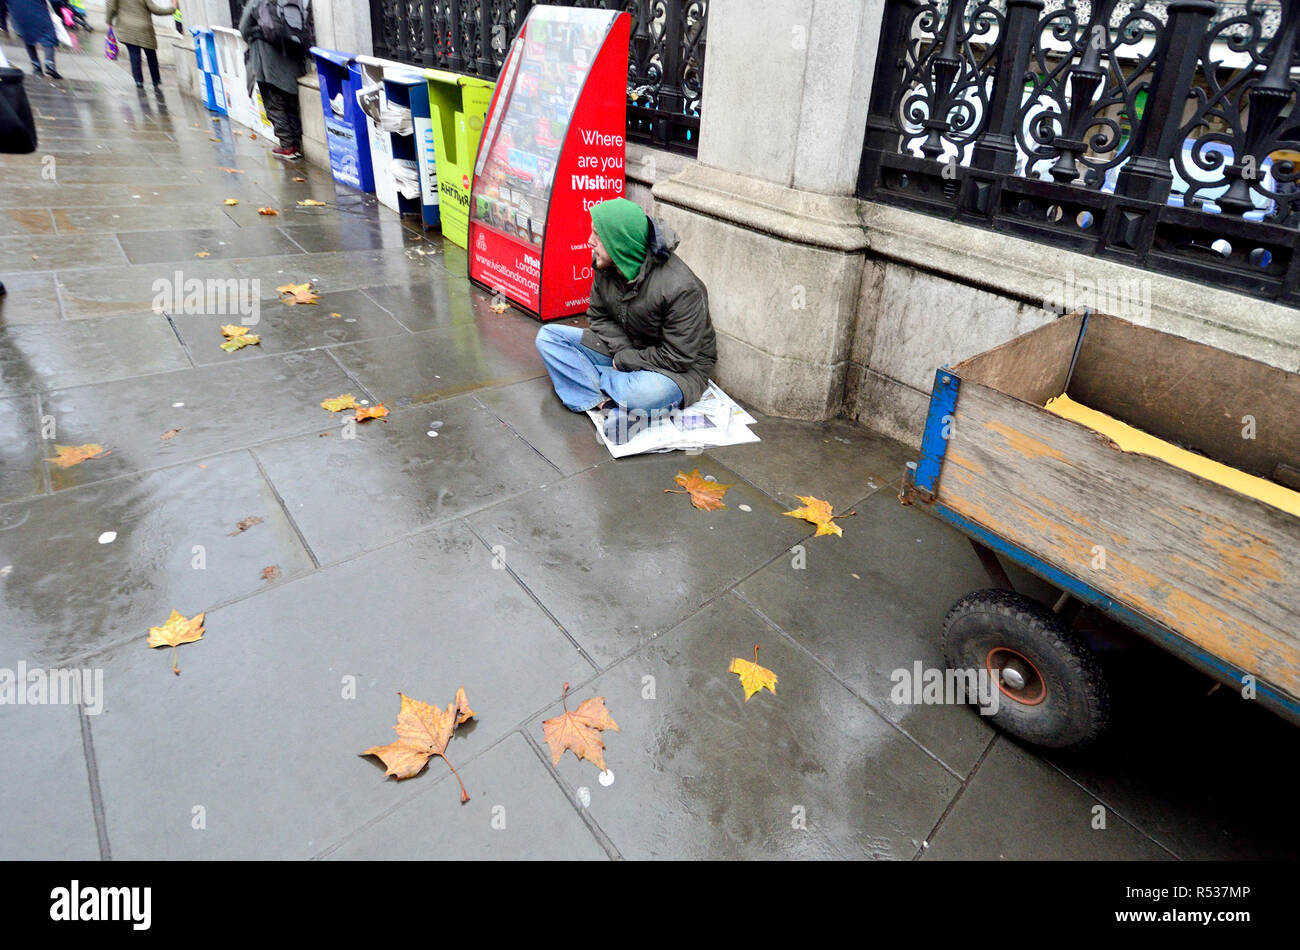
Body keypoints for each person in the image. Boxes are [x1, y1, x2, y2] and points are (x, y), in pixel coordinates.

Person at [535, 198, 717, 445]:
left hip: (676, 369)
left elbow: (678, 357)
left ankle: (597, 385)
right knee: (549, 338)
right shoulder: (606, 267)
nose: (590, 241)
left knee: (646, 393)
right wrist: (623, 352)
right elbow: (598, 317)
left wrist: (624, 360)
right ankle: (606, 403)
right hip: (628, 347)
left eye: (598, 236)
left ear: (619, 244)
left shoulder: (682, 288)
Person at [238, 0, 309, 161]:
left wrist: (257, 31)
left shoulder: (257, 2)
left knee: (274, 104)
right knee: (291, 105)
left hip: (267, 61)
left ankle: (287, 146)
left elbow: (243, 28)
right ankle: (295, 144)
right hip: (292, 58)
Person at [104, 0, 175, 91]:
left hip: (127, 27)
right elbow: (155, 9)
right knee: (151, 55)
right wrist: (172, 9)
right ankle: (156, 80)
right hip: (144, 28)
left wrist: (108, 20)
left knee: (134, 54)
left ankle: (139, 81)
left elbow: (111, 6)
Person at [7, 0, 61, 79]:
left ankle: (36, 65)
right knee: (48, 35)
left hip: (18, 13)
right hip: (38, 10)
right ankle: (49, 64)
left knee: (27, 36)